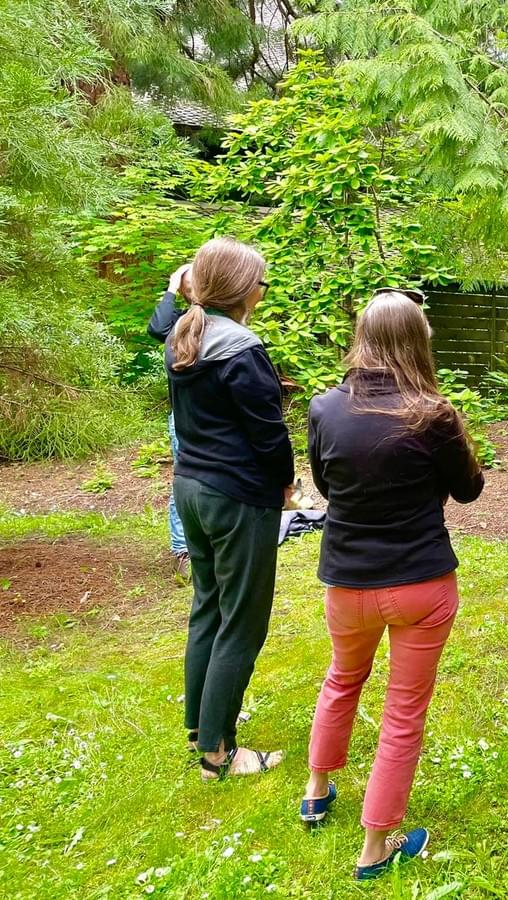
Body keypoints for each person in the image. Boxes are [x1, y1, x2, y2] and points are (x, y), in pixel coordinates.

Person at [301, 291, 484, 881]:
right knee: (403, 712)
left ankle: (316, 790)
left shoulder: (324, 408)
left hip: (347, 583)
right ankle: (375, 846)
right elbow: (469, 491)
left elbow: (328, 487)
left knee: (341, 679)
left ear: (363, 337)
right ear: (417, 341)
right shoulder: (435, 414)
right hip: (421, 584)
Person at [166, 237, 294, 778]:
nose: (264, 292)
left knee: (209, 607)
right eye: (261, 283)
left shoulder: (183, 334)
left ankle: (202, 722)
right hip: (236, 499)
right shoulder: (241, 347)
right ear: (244, 290)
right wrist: (286, 485)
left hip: (190, 490)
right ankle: (217, 753)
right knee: (241, 621)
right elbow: (268, 435)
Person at [147, 265, 194, 582]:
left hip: (214, 416)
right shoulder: (178, 323)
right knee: (184, 481)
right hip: (183, 415)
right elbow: (156, 327)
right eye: (187, 282)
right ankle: (182, 551)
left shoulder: (221, 320)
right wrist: (172, 287)